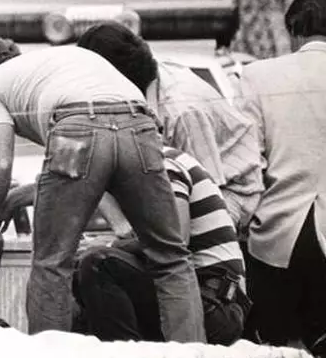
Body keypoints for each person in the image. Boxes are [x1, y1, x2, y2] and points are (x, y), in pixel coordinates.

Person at [0, 38, 205, 342]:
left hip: (76, 125)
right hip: (140, 123)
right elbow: (96, 163)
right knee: (171, 257)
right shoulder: (57, 64)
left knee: (52, 264)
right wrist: (121, 224)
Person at [75, 22, 262, 231]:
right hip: (172, 190)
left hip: (229, 192)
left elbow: (205, 195)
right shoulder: (138, 88)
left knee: (175, 244)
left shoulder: (182, 110)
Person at [72, 147, 250, 346]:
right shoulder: (141, 169)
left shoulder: (163, 165)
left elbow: (175, 241)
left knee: (99, 263)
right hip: (202, 296)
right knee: (83, 268)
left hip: (213, 303)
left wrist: (109, 243)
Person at [236, 0, 326, 358]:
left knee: (269, 350)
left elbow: (246, 160)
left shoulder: (258, 76)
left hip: (277, 232)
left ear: (292, 30)